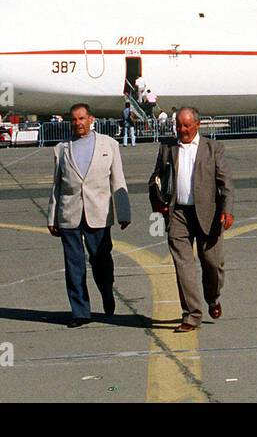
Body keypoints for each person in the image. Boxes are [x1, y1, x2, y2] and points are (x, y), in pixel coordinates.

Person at [149, 106, 234, 332]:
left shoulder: (213, 148)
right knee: (183, 267)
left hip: (209, 214)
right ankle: (191, 315)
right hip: (178, 214)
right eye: (179, 125)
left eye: (186, 125)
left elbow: (225, 182)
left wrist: (227, 210)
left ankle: (213, 298)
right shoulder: (167, 148)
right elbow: (155, 179)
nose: (182, 130)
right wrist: (158, 204)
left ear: (197, 125)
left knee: (212, 265)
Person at [47, 103, 130, 328]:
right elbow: (56, 186)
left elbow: (118, 180)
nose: (78, 123)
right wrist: (52, 217)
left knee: (101, 261)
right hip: (70, 214)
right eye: (74, 120)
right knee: (74, 265)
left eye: (82, 119)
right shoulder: (61, 149)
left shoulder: (109, 145)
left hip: (99, 213)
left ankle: (106, 293)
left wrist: (124, 213)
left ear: (91, 119)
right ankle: (80, 311)